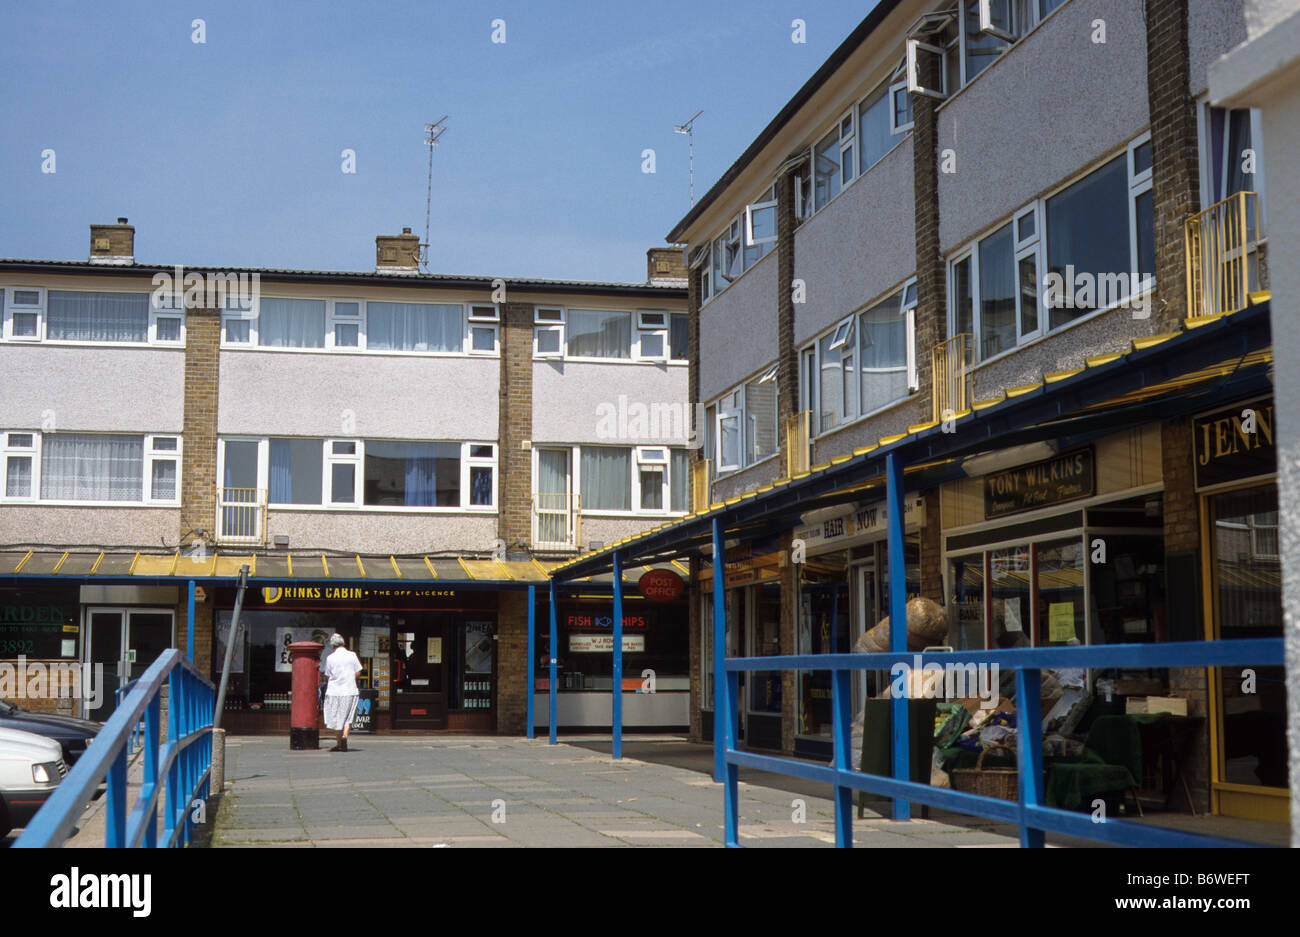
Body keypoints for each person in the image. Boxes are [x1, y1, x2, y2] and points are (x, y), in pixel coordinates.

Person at [321, 633, 362, 752]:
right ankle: (344, 736)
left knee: (337, 717)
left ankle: (339, 743)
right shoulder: (352, 655)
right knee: (348, 716)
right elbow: (358, 673)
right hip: (349, 690)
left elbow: (328, 675)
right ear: (343, 643)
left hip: (334, 692)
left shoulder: (330, 658)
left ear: (332, 645)